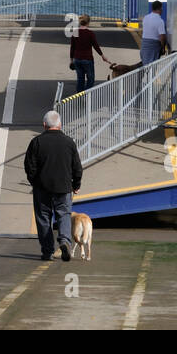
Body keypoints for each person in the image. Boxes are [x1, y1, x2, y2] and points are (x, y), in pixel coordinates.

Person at [24, 110, 83, 262]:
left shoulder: (36, 142)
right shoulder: (69, 142)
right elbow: (77, 166)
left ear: (44, 125)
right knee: (63, 214)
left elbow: (29, 166)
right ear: (60, 125)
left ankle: (47, 251)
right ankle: (64, 240)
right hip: (63, 187)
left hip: (42, 188)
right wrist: (76, 184)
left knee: (43, 218)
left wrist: (35, 182)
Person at [69, 14, 109, 92]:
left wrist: (71, 60)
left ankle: (79, 96)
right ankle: (86, 94)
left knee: (80, 79)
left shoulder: (74, 32)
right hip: (87, 59)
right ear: (88, 23)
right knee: (90, 79)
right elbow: (96, 46)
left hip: (77, 59)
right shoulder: (90, 33)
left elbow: (72, 48)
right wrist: (102, 56)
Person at [141, 1, 168, 65]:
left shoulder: (145, 18)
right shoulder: (160, 21)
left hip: (144, 45)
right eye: (161, 8)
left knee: (145, 66)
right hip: (153, 47)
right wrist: (163, 47)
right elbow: (162, 36)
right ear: (159, 8)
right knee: (152, 67)